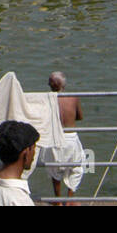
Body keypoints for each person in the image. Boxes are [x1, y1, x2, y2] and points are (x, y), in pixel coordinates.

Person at [39, 71, 85, 204]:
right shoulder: (73, 97)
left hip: (55, 137)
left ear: (52, 85)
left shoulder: (47, 99)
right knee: (76, 168)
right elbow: (80, 117)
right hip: (71, 138)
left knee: (55, 170)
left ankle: (58, 201)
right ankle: (70, 199)